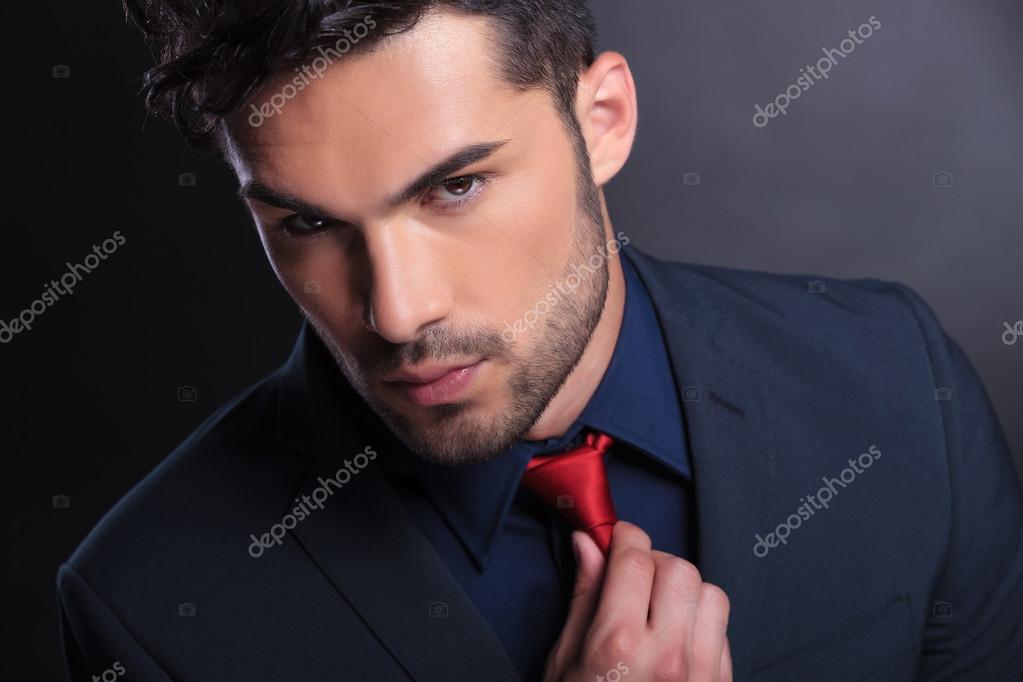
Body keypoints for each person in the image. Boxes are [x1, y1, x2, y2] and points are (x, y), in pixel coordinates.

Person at [57, 1, 1023, 680]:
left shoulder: (896, 383)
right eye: (306, 225)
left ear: (600, 121)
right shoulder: (151, 606)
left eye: (455, 187)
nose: (396, 314)